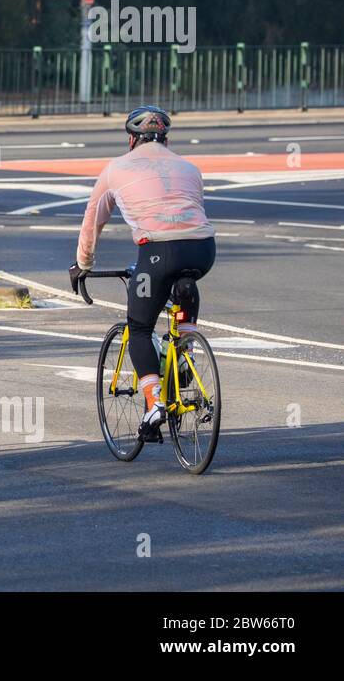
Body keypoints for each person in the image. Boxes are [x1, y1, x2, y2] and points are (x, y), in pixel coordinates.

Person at [69, 105, 215, 438]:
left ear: (131, 140)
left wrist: (83, 265)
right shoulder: (190, 168)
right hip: (203, 249)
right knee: (183, 287)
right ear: (165, 138)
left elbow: (93, 221)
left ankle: (154, 406)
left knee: (138, 327)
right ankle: (184, 347)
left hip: (158, 252)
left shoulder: (115, 168)